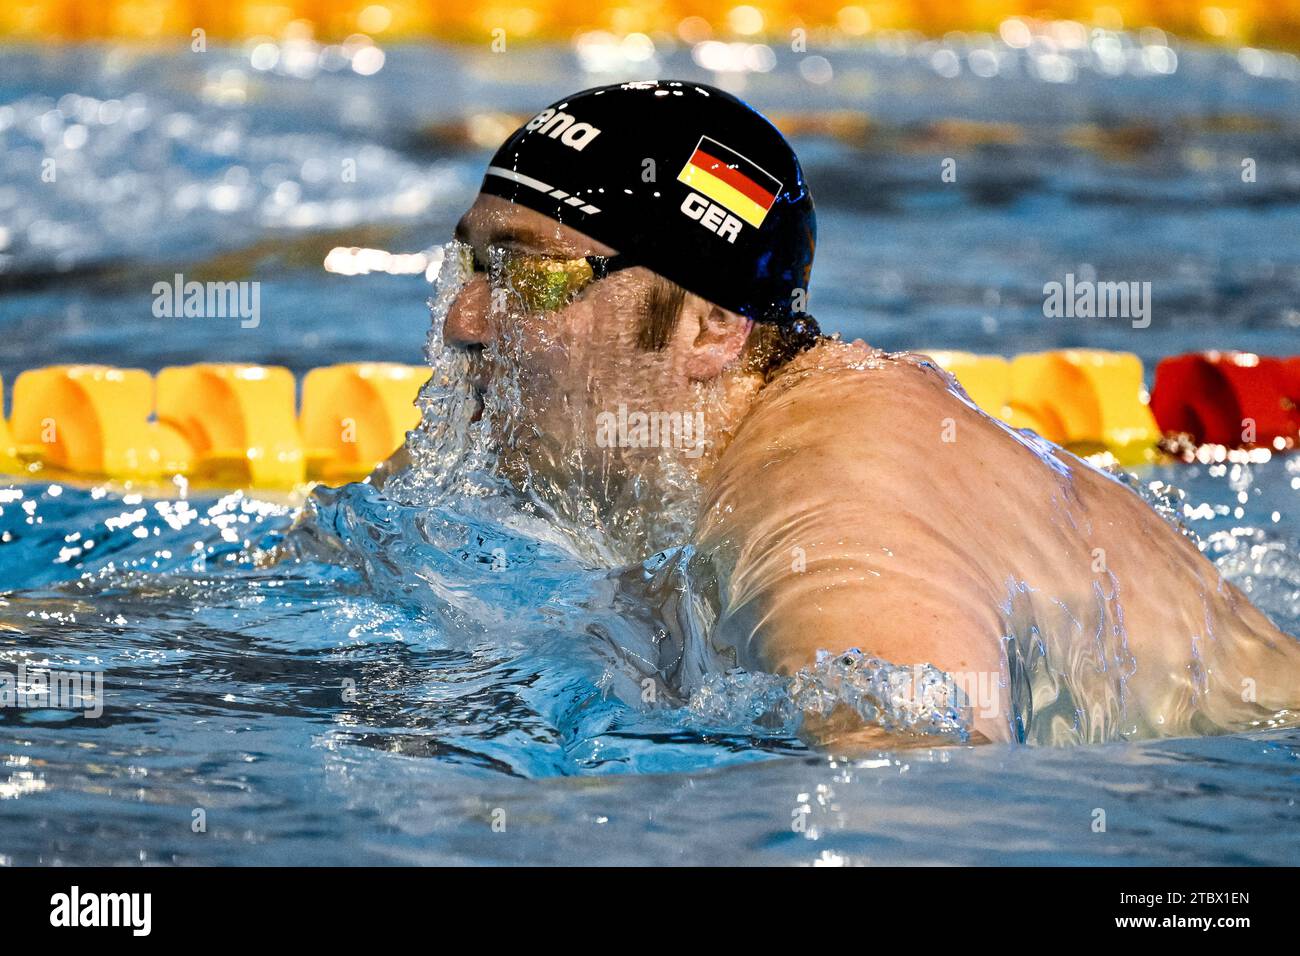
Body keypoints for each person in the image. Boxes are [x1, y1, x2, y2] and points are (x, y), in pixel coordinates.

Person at [418, 80, 1300, 748]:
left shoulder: (830, 514)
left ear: (711, 326)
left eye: (531, 277)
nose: (465, 318)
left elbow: (912, 797)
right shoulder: (708, 460)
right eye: (476, 267)